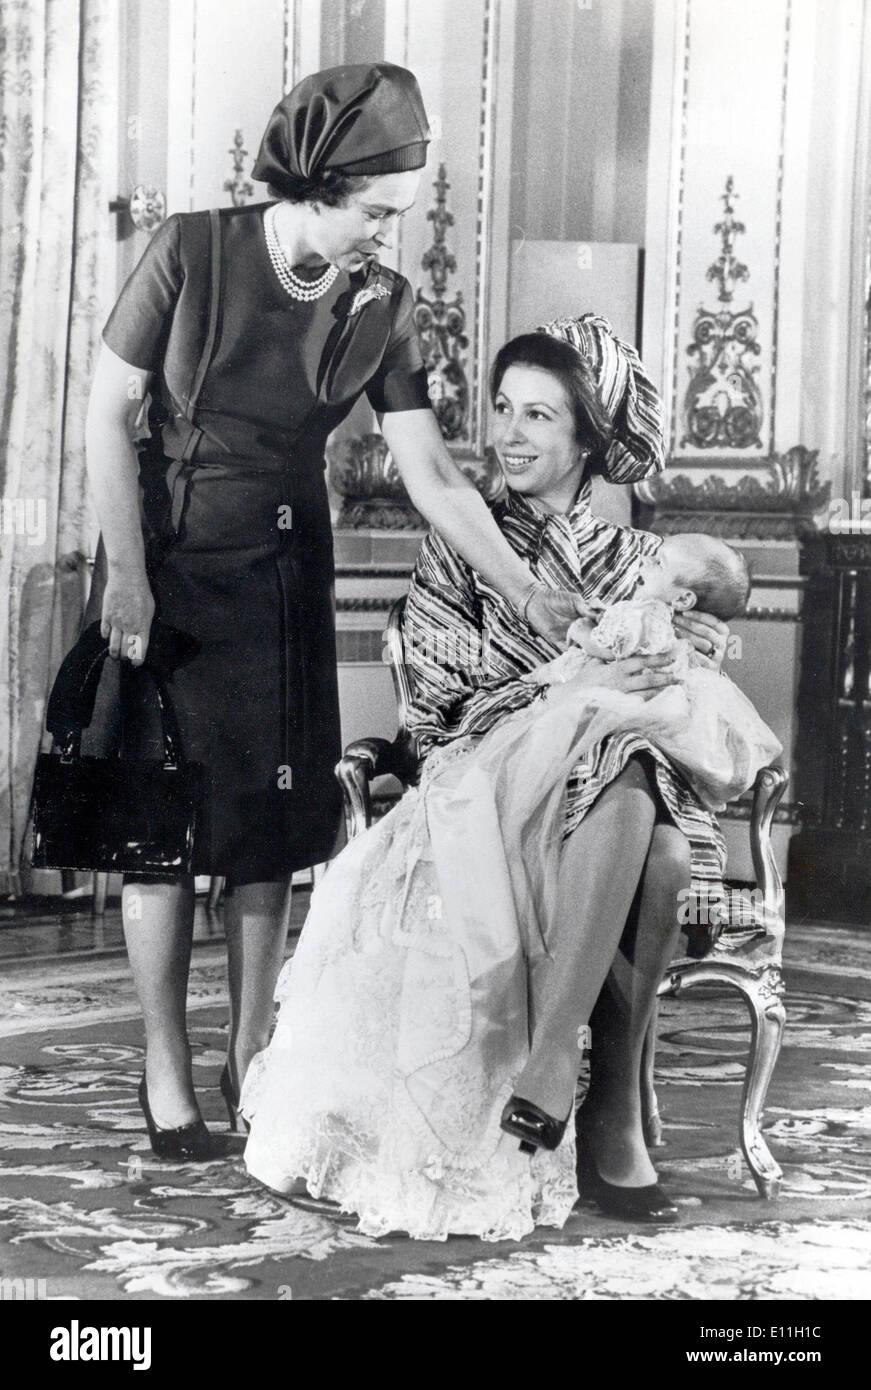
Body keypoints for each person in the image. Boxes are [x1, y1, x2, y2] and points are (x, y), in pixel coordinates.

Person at [83, 64, 589, 1161]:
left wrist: (530, 590)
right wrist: (125, 573)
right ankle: (166, 1072)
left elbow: (435, 479)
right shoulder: (190, 249)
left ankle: (251, 1049)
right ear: (321, 181)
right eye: (375, 214)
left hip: (280, 578)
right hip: (166, 567)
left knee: (269, 834)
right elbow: (102, 416)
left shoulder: (386, 306)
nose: (384, 240)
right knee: (162, 835)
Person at [240, 317, 743, 1240]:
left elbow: (690, 715)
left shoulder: (650, 567)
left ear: (590, 437)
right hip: (477, 792)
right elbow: (435, 715)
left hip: (600, 805)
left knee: (648, 808)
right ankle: (569, 1076)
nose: (509, 434)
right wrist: (577, 690)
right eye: (502, 409)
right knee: (623, 772)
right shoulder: (462, 548)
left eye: (540, 416)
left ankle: (603, 1101)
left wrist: (685, 660)